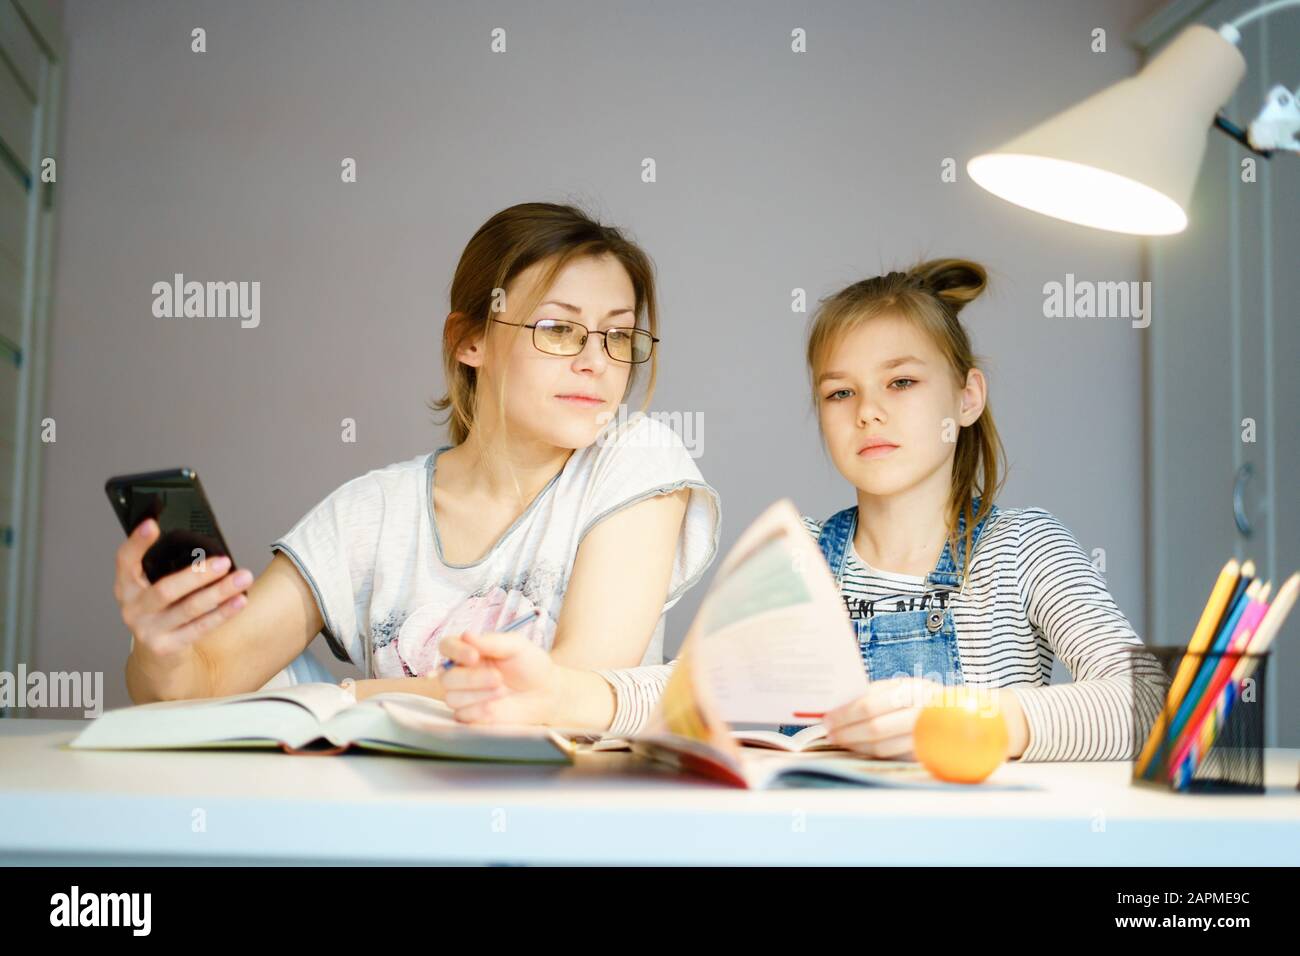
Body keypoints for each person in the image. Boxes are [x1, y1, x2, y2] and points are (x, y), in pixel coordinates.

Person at [117, 201, 721, 733]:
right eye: (560, 329)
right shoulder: (371, 512)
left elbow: (560, 691)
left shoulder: (636, 458)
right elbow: (196, 684)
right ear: (469, 340)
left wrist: (340, 699)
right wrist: (161, 649)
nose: (597, 361)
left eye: (618, 336)